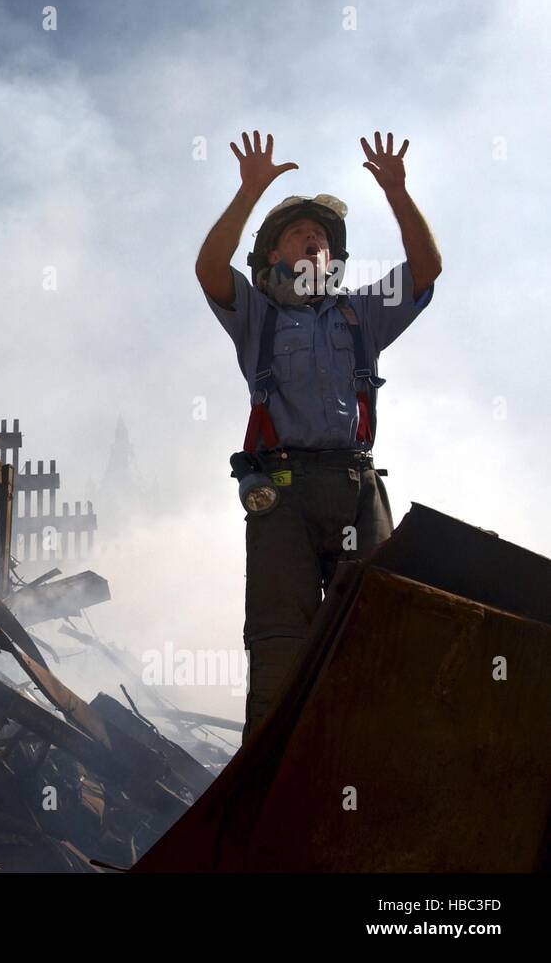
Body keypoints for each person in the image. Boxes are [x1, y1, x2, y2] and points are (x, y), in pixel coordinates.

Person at [195, 130, 441, 741]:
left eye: (322, 237)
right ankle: (272, 774)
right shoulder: (257, 315)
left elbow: (426, 270)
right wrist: (250, 192)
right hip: (283, 493)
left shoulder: (361, 314)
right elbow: (209, 269)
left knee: (379, 626)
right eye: (300, 233)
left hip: (357, 486)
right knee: (281, 642)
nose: (315, 239)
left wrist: (398, 192)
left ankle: (376, 761)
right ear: (273, 254)